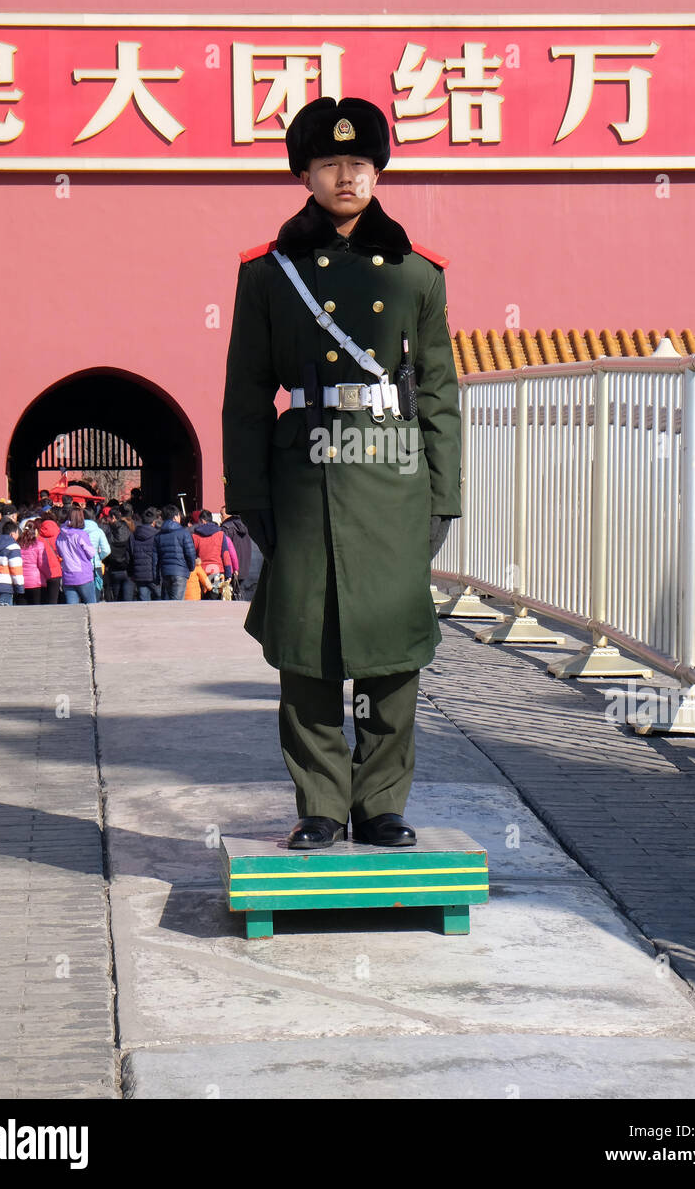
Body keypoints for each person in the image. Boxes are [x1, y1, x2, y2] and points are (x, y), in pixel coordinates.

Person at [222, 95, 461, 851]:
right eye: (329, 164)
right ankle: (321, 804)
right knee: (308, 647)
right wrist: (249, 493)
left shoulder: (419, 275)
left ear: (377, 170)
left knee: (392, 649)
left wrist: (443, 494)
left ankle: (382, 802)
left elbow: (437, 393)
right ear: (304, 173)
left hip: (392, 476)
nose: (346, 176)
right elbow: (246, 392)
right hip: (306, 476)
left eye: (358, 163)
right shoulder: (268, 274)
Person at [156, 504, 197, 600]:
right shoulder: (184, 533)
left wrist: (156, 576)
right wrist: (191, 567)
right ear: (175, 517)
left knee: (166, 602)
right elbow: (190, 553)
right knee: (177, 603)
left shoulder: (158, 535)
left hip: (165, 572)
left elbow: (155, 558)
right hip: (180, 572)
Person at [56, 508, 96, 604]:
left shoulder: (60, 535)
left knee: (72, 610)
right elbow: (91, 553)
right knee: (91, 606)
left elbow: (60, 553)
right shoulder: (81, 535)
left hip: (67, 576)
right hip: (83, 575)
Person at [191, 510, 238, 584]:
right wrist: (228, 574)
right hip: (217, 572)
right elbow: (225, 555)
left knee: (202, 595)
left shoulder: (195, 536)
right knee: (214, 594)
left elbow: (192, 556)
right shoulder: (220, 534)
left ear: (202, 521)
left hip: (201, 573)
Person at [128, 508, 162, 600]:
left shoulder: (133, 535)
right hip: (154, 574)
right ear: (154, 522)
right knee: (160, 599)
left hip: (139, 574)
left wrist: (132, 572)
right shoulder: (157, 535)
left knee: (143, 602)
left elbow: (130, 554)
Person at [16, 519, 49, 604]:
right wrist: (48, 575)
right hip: (35, 581)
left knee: (21, 609)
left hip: (20, 580)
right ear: (36, 531)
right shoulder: (39, 545)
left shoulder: (18, 544)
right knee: (35, 608)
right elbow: (42, 564)